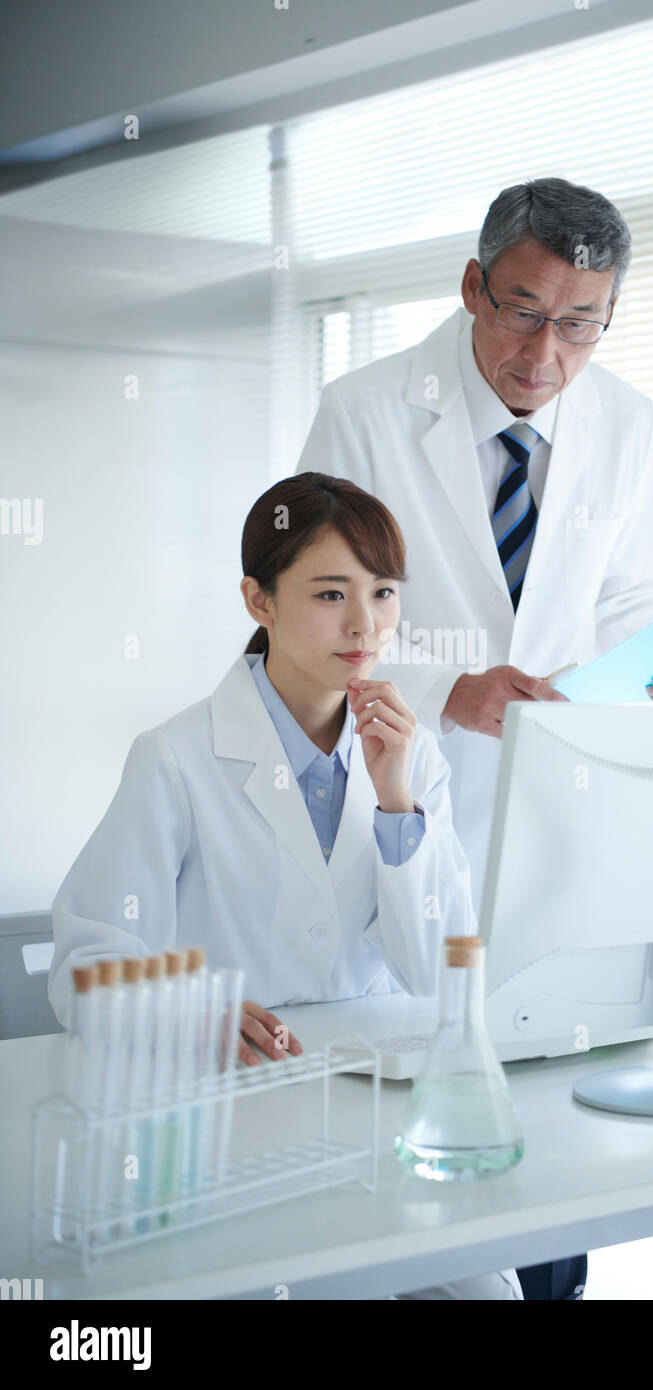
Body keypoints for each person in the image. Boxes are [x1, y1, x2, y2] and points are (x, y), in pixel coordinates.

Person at [297, 176, 653, 1300]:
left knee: (551, 1117)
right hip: (400, 796)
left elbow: (636, 605)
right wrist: (442, 686)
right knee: (416, 1131)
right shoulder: (365, 409)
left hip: (556, 815)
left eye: (579, 323)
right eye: (521, 309)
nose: (544, 351)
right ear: (472, 286)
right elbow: (314, 610)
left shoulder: (626, 421)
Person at [48, 471, 522, 1301]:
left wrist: (397, 799)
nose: (365, 625)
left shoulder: (412, 752)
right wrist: (195, 1012)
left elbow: (437, 969)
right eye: (330, 593)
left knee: (480, 1288)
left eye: (382, 593)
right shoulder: (178, 757)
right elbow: (86, 963)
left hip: (382, 1102)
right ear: (257, 601)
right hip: (232, 1111)